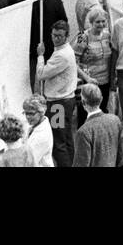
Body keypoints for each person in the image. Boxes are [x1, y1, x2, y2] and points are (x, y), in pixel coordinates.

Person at [36, 19, 78, 168]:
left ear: (66, 36)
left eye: (60, 36)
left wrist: (40, 55)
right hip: (65, 100)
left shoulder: (61, 55)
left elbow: (41, 74)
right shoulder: (65, 50)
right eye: (54, 35)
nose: (56, 38)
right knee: (66, 139)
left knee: (58, 142)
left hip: (58, 104)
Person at [73, 83, 122, 168]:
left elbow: (81, 163)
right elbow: (122, 156)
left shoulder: (83, 132)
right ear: (101, 99)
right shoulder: (115, 120)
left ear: (83, 102)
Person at [22, 95, 55, 167]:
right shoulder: (38, 123)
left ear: (41, 112)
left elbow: (28, 163)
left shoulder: (41, 137)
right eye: (25, 113)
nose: (27, 117)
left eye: (31, 114)